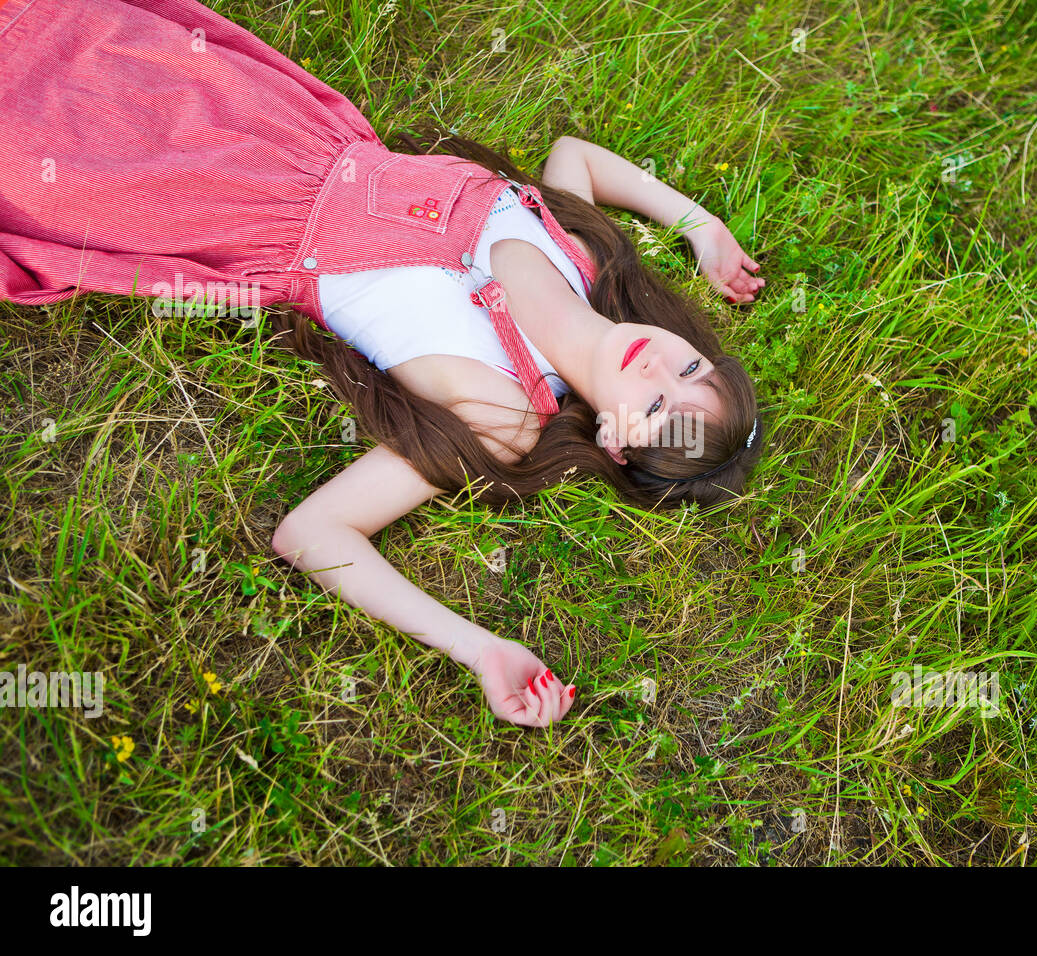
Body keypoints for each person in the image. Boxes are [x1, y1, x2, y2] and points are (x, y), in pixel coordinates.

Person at [0, 0, 767, 727]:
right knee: (75, 30)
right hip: (278, 125)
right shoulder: (584, 254)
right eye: (692, 369)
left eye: (661, 409)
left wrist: (477, 648)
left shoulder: (502, 412)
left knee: (34, 134)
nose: (661, 371)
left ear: (615, 442)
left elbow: (314, 532)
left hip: (219, 205)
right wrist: (699, 224)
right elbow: (575, 157)